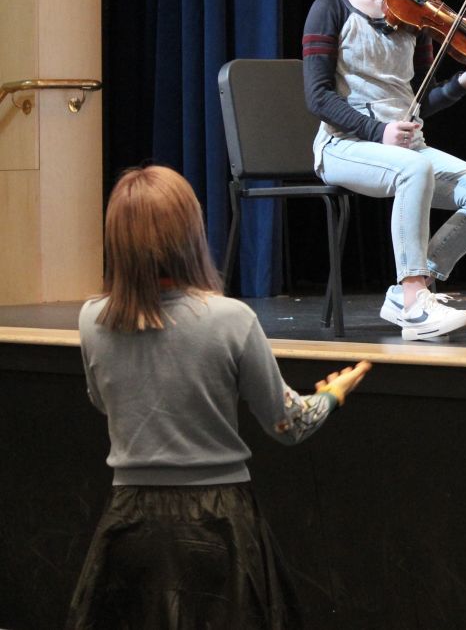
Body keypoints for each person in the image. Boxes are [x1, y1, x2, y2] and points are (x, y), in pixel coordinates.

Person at [67, 164, 371, 628]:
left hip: (129, 525)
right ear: (189, 232)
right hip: (219, 525)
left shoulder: (93, 319)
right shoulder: (230, 319)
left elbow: (102, 402)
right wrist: (331, 395)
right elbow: (290, 425)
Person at [303, 0, 466, 340]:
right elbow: (317, 97)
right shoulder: (329, 8)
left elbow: (421, 101)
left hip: (406, 148)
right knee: (414, 168)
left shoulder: (413, 14)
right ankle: (414, 302)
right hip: (343, 145)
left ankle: (411, 288)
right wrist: (378, 130)